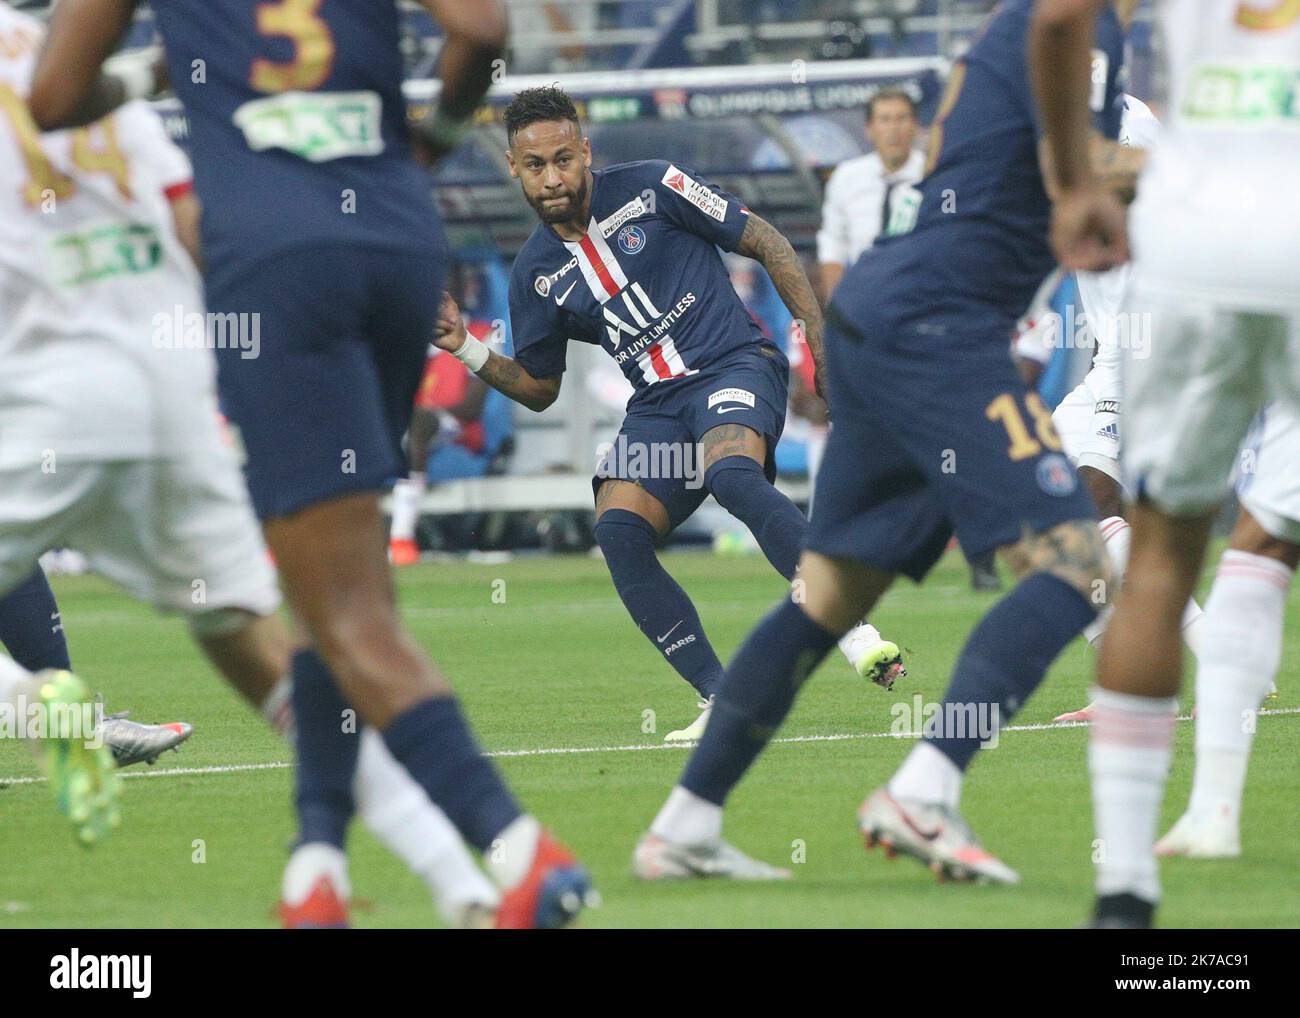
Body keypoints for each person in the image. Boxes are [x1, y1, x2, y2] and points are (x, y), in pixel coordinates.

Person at [31, 0, 592, 928]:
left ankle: (521, 852)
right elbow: (485, 30)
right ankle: (316, 867)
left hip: (278, 264)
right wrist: (434, 138)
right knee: (338, 585)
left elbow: (53, 97)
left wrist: (156, 74)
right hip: (401, 243)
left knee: (347, 608)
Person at [633, 0, 1134, 883]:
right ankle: (925, 792)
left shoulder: (1008, 35)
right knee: (1075, 569)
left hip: (882, 312)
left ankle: (683, 823)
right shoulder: (1076, 20)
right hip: (940, 327)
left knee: (829, 595)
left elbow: (1034, 156)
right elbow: (1077, 150)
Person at [433, 85, 905, 743]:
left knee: (733, 475)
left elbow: (764, 239)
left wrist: (818, 340)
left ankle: (850, 625)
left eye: (564, 159)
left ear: (585, 151)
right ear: (514, 168)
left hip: (734, 365)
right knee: (619, 530)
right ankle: (723, 700)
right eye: (536, 166)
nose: (553, 177)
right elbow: (540, 386)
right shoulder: (534, 276)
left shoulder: (656, 187)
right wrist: (465, 346)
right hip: (657, 408)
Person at [1031, 0, 1300, 928]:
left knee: (1158, 550)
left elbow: (1059, 19)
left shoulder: (1117, 119)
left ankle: (1127, 894)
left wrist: (1077, 180)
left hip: (1200, 260)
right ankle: (1217, 777)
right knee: (1265, 540)